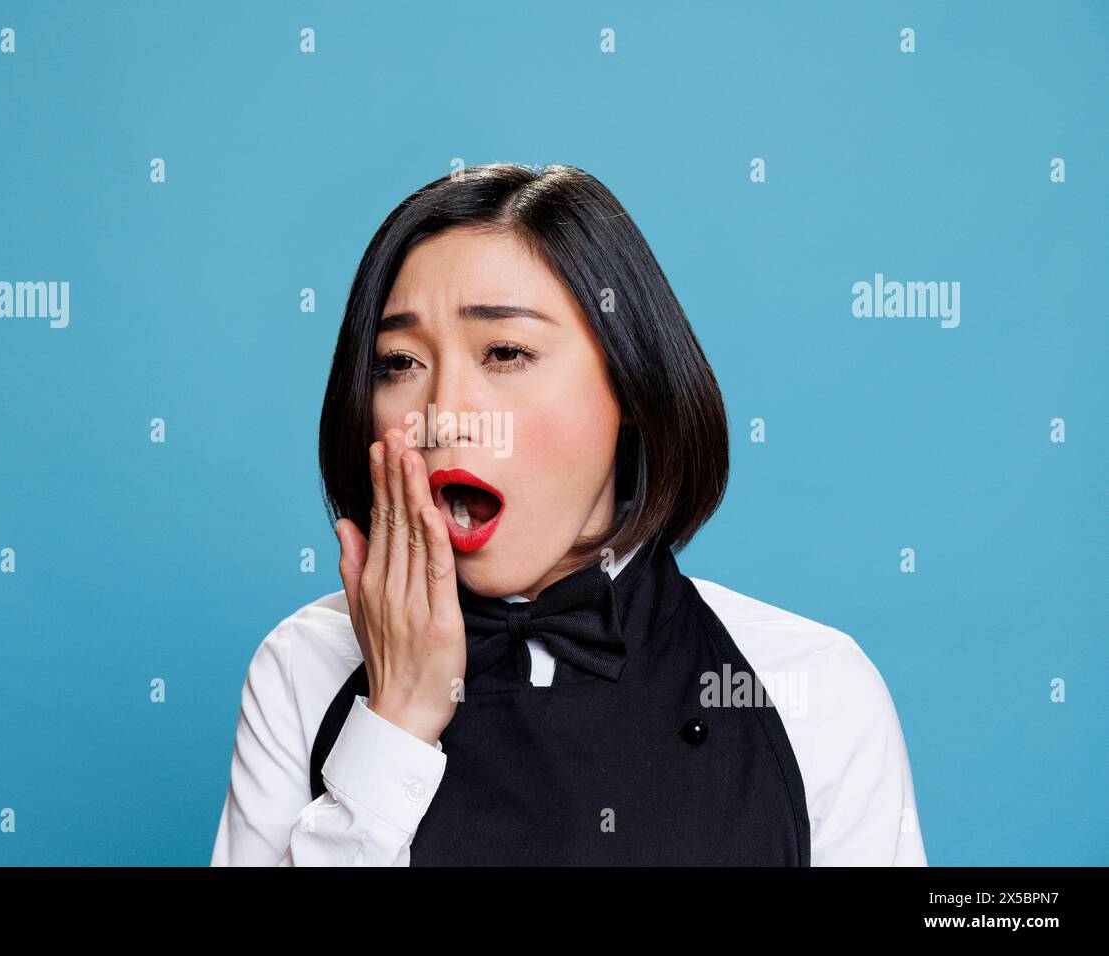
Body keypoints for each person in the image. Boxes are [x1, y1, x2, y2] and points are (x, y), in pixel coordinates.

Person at [210, 163, 927, 866]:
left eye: (507, 351)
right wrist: (394, 722)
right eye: (399, 362)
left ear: (632, 386)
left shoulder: (812, 685)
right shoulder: (304, 667)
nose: (443, 417)